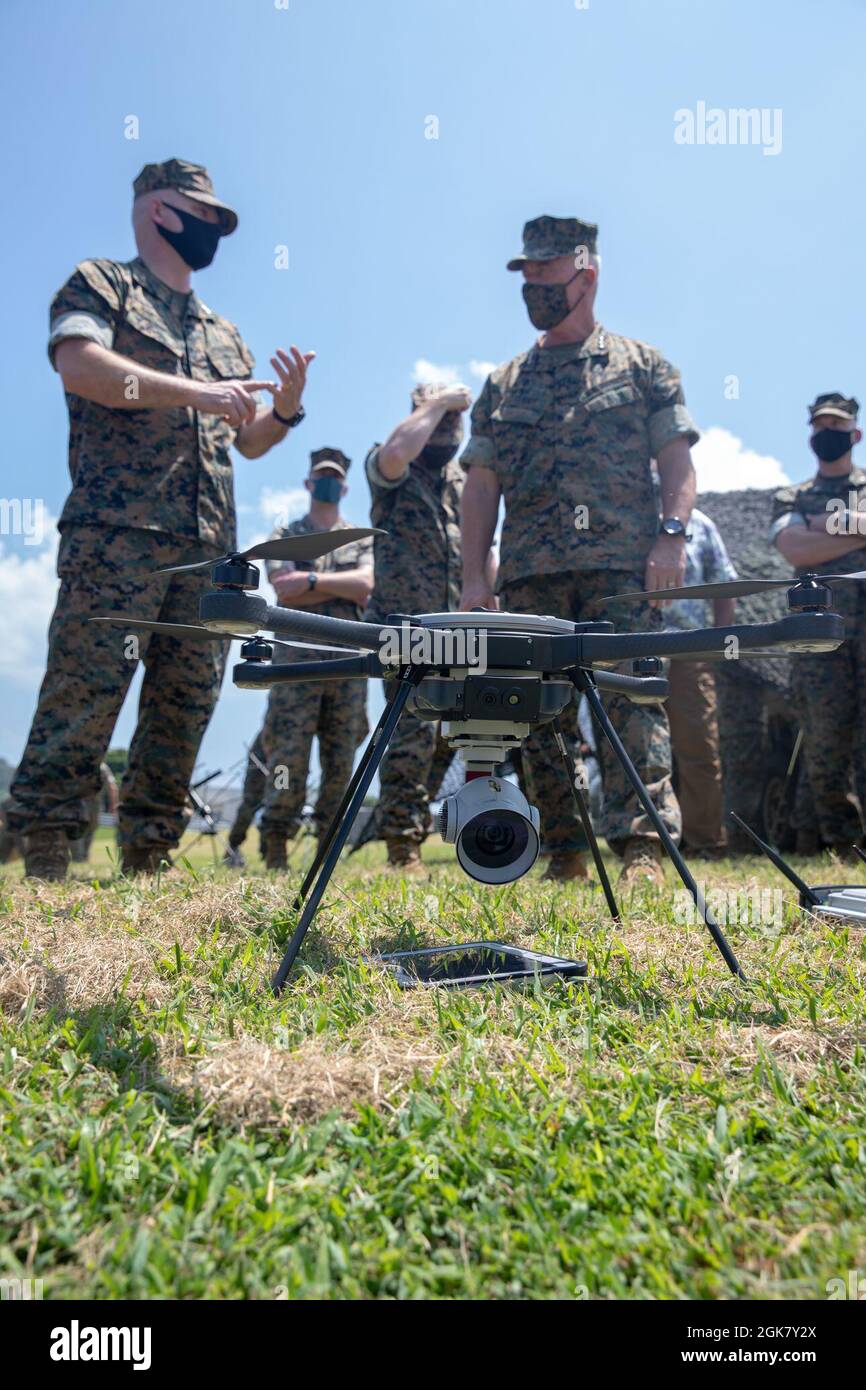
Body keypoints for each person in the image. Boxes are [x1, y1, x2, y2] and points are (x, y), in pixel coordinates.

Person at [6, 158, 313, 880]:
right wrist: (202, 394)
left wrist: (288, 410)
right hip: (119, 535)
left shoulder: (222, 331)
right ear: (156, 209)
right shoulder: (100, 284)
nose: (212, 228)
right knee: (84, 691)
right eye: (200, 211)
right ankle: (48, 846)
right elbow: (80, 367)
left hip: (208, 548)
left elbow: (251, 439)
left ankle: (151, 848)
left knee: (186, 699)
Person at [459, 215, 698, 887]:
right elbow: (481, 484)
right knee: (538, 715)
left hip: (623, 569)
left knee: (632, 707)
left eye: (544, 270)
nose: (531, 282)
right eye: (525, 272)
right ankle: (564, 851)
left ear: (584, 274)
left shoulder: (644, 366)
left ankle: (643, 851)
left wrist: (671, 537)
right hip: (532, 575)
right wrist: (474, 576)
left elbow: (676, 462)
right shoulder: (505, 383)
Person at [364, 382, 483, 872]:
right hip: (406, 627)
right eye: (438, 420)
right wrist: (437, 403)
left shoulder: (461, 482)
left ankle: (421, 826)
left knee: (452, 735)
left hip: (458, 630)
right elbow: (396, 450)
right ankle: (401, 845)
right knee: (410, 733)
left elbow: (481, 547)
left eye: (456, 421)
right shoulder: (391, 465)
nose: (446, 430)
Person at [258, 449, 374, 870]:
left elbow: (365, 585)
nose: (327, 482)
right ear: (309, 483)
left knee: (342, 760)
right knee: (288, 757)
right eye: (320, 476)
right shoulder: (286, 533)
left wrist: (309, 580)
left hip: (348, 664)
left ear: (344, 487)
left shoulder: (358, 536)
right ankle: (275, 842)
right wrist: (332, 586)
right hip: (295, 665)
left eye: (335, 477)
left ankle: (328, 848)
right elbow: (282, 590)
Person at [770, 392, 866, 853]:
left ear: (856, 433)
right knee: (825, 736)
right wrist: (857, 527)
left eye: (837, 424)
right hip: (820, 633)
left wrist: (828, 524)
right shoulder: (793, 496)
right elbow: (794, 548)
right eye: (820, 424)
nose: (827, 432)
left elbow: (811, 539)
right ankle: (842, 842)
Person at [659, 507, 737, 856]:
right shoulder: (623, 516)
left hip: (691, 650)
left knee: (699, 749)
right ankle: (645, 839)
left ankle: (705, 842)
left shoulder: (701, 523)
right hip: (631, 647)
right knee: (637, 750)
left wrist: (719, 646)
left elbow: (725, 585)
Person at [224, 729, 268, 867]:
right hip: (261, 761)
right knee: (250, 803)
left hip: (283, 765)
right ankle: (232, 847)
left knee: (280, 801)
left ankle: (272, 850)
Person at [70, 761, 120, 862]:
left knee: (86, 828)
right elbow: (112, 786)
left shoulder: (101, 766)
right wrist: (113, 804)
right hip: (82, 802)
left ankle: (81, 857)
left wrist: (113, 804)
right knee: (82, 828)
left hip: (89, 802)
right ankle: (79, 857)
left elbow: (112, 786)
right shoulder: (101, 766)